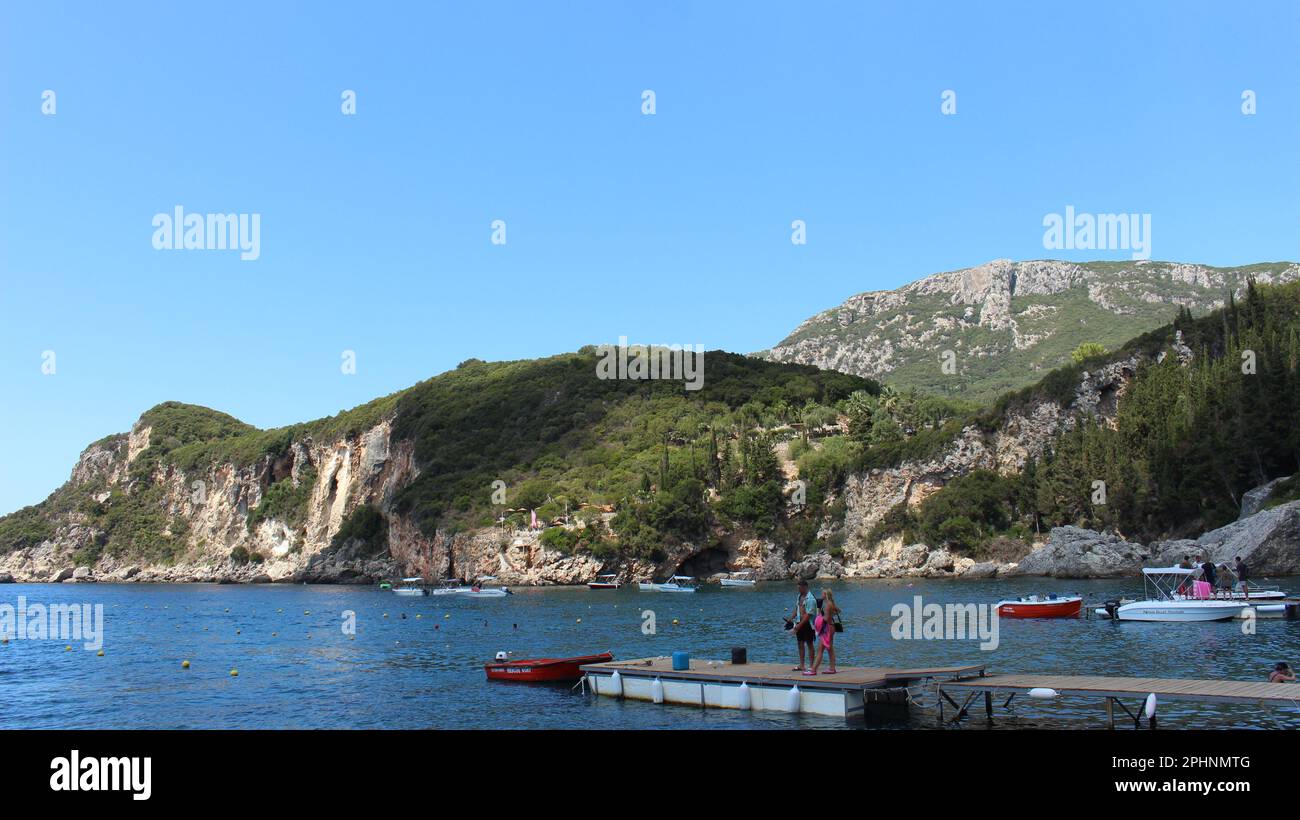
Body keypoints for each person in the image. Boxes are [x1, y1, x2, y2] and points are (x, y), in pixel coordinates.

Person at [790, 579, 818, 672]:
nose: (798, 590)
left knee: (809, 643)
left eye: (800, 588)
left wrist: (798, 626)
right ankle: (802, 665)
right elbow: (797, 609)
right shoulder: (799, 596)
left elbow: (808, 615)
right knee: (800, 643)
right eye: (798, 588)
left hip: (808, 624)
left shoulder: (811, 599)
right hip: (799, 621)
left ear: (805, 587)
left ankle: (811, 665)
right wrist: (790, 619)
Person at [810, 589, 839, 675]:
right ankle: (832, 668)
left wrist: (819, 617)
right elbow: (838, 611)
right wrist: (831, 614)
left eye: (822, 594)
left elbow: (825, 619)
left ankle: (813, 670)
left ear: (825, 595)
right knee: (830, 649)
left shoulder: (828, 605)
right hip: (831, 626)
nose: (821, 595)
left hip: (827, 628)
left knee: (820, 649)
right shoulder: (831, 603)